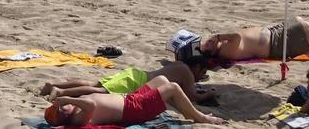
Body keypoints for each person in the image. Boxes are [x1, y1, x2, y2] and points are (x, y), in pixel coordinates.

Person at [43, 75, 224, 127]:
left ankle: (186, 109)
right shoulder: (77, 119)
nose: (62, 107)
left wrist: (67, 101)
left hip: (131, 99)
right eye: (60, 111)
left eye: (58, 107)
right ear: (63, 120)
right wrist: (67, 98)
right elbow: (92, 105)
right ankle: (200, 117)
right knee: (173, 87)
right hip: (134, 109)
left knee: (161, 80)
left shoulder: (73, 109)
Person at [41, 58, 213, 104]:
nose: (201, 76)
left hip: (135, 73)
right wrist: (209, 94)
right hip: (139, 81)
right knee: (102, 92)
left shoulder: (178, 64)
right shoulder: (187, 73)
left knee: (95, 84)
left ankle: (53, 85)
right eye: (202, 72)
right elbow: (192, 97)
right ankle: (61, 92)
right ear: (197, 67)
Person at [202, 19, 309, 62]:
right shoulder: (226, 52)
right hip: (275, 44)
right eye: (208, 45)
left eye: (207, 41)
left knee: (298, 19)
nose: (209, 41)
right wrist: (218, 37)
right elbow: (237, 37)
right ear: (212, 53)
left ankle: (307, 50)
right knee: (305, 26)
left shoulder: (224, 46)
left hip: (273, 33)